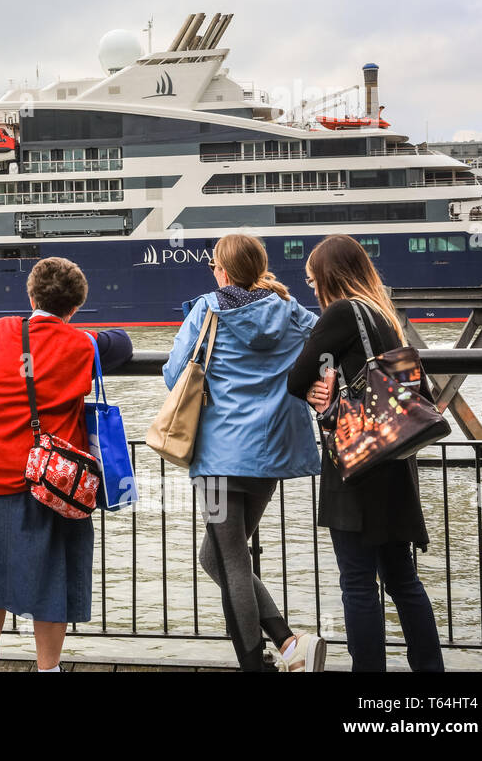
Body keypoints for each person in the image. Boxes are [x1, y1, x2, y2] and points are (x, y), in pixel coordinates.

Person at [0, 257, 132, 672]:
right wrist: (82, 333)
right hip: (49, 478)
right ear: (76, 307)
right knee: (54, 571)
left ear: (30, 295)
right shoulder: (83, 345)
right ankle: (47, 668)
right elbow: (122, 344)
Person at [164, 233, 324, 672]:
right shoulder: (292, 311)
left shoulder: (209, 309)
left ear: (221, 270)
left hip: (217, 461)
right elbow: (323, 355)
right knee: (215, 556)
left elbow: (175, 374)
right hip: (268, 456)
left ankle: (257, 666)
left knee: (230, 561)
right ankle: (289, 644)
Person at [287, 234, 444, 672]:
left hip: (357, 463)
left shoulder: (340, 312)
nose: (312, 288)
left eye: (313, 279)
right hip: (395, 459)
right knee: (403, 580)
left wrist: (324, 380)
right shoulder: (383, 314)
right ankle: (430, 669)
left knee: (357, 583)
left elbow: (297, 378)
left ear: (328, 276)